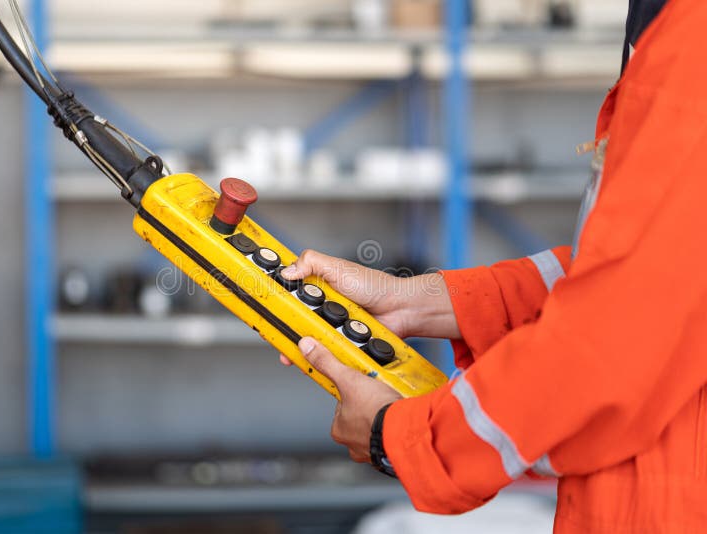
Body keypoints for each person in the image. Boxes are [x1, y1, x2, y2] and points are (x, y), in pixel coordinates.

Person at [278, 0, 707, 531]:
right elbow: (658, 277)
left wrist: (402, 435)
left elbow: (612, 341)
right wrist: (422, 298)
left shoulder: (694, 38)